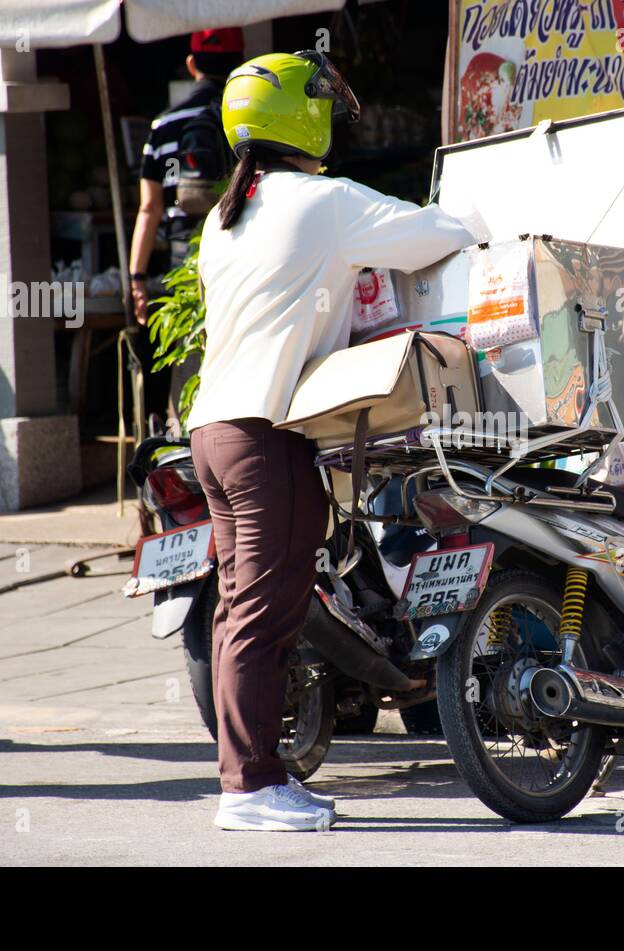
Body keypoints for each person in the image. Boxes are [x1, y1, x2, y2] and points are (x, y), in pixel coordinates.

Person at [187, 51, 473, 831]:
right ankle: (249, 788)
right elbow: (440, 232)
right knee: (263, 613)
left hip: (213, 431)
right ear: (303, 118)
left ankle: (252, 778)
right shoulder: (326, 200)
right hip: (264, 435)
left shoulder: (226, 214)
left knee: (239, 611)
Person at [129, 27, 246, 324]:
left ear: (192, 64)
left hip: (184, 255)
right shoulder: (248, 121)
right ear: (241, 62)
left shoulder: (163, 126)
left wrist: (137, 279)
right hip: (241, 243)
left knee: (191, 344)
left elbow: (149, 208)